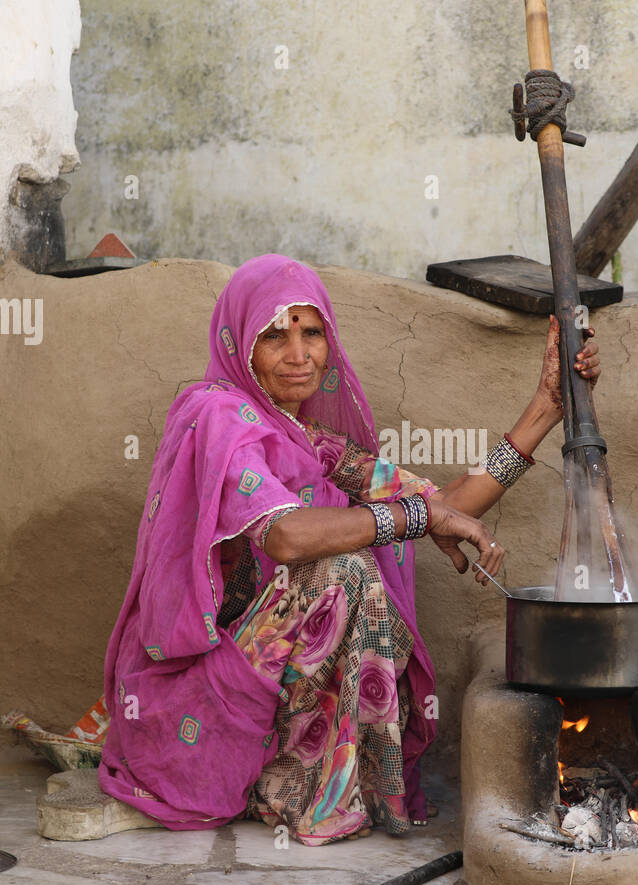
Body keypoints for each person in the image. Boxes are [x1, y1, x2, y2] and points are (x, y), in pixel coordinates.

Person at [97, 254, 600, 845]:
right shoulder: (219, 417)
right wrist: (414, 516)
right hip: (208, 694)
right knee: (340, 570)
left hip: (276, 686)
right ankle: (285, 785)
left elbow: (447, 505)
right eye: (274, 336)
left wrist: (546, 406)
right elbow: (285, 536)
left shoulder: (313, 442)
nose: (298, 354)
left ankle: (316, 778)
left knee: (352, 560)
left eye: (312, 333)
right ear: (238, 344)